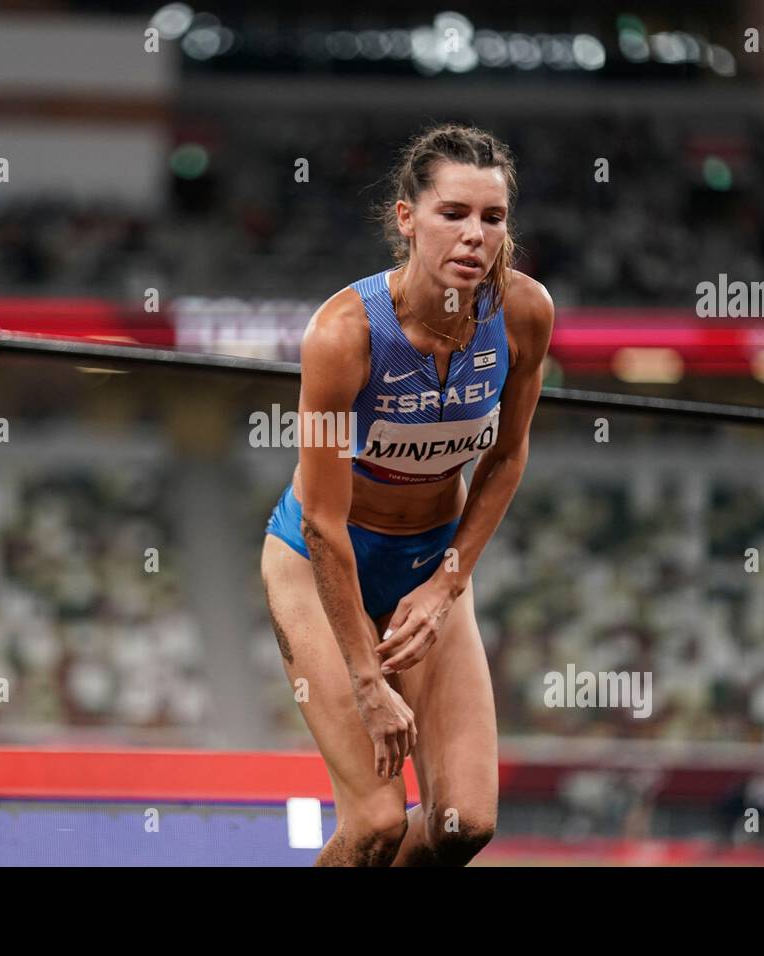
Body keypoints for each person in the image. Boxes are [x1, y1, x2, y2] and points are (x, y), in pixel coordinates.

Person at [260, 124, 554, 866]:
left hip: (429, 566)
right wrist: (368, 681)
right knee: (375, 824)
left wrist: (446, 583)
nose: (474, 235)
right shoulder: (343, 335)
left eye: (492, 217)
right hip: (322, 564)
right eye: (453, 213)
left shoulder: (524, 313)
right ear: (407, 218)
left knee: (464, 825)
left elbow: (507, 455)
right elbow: (322, 522)